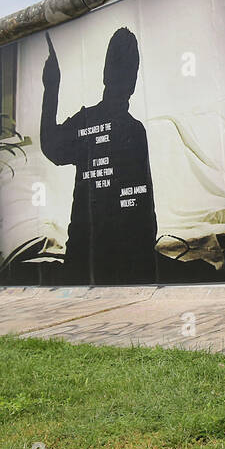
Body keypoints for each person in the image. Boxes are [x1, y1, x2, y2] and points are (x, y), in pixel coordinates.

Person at [40, 27, 158, 285]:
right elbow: (146, 212)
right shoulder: (134, 131)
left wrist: (52, 86)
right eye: (127, 71)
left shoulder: (91, 122)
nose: (129, 79)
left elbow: (51, 147)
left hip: (93, 260)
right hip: (119, 263)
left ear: (105, 73)